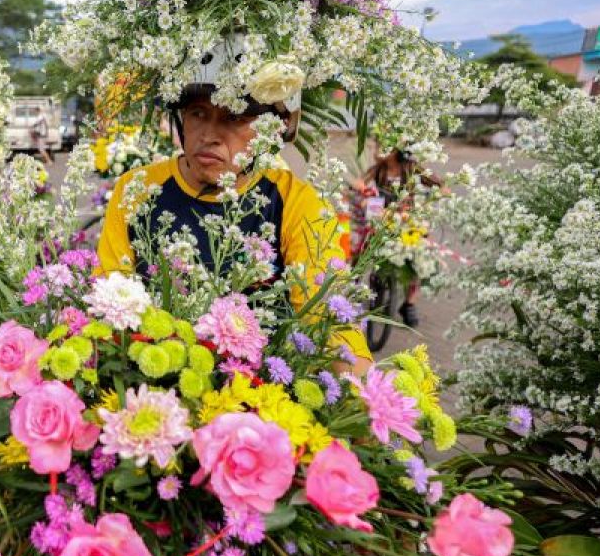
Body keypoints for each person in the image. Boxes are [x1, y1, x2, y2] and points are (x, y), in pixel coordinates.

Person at [98, 42, 372, 372]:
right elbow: (108, 300)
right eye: (198, 113)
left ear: (277, 126)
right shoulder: (137, 190)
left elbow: (329, 322)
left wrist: (362, 398)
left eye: (236, 117)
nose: (210, 135)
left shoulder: (294, 202)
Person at [357, 148, 442, 327]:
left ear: (397, 151)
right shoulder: (378, 169)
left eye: (386, 147)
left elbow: (439, 184)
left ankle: (409, 303)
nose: (378, 150)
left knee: (421, 258)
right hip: (382, 220)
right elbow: (360, 183)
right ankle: (355, 282)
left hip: (407, 220)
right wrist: (361, 190)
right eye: (379, 145)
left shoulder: (412, 168)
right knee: (362, 247)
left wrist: (440, 192)